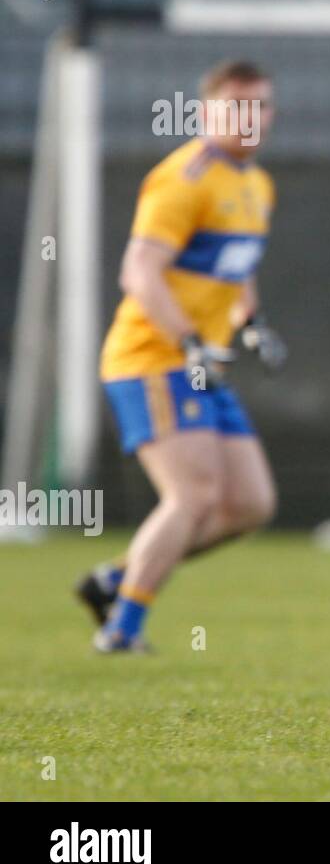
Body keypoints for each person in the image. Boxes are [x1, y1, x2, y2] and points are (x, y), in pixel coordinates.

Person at [79, 61, 285, 653]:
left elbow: (236, 267)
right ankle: (122, 629)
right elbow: (139, 272)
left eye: (262, 106)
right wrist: (190, 340)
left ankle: (117, 578)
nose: (252, 119)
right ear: (205, 113)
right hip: (151, 358)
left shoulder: (256, 184)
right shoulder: (183, 178)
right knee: (193, 497)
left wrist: (252, 324)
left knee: (248, 505)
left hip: (202, 364)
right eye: (238, 106)